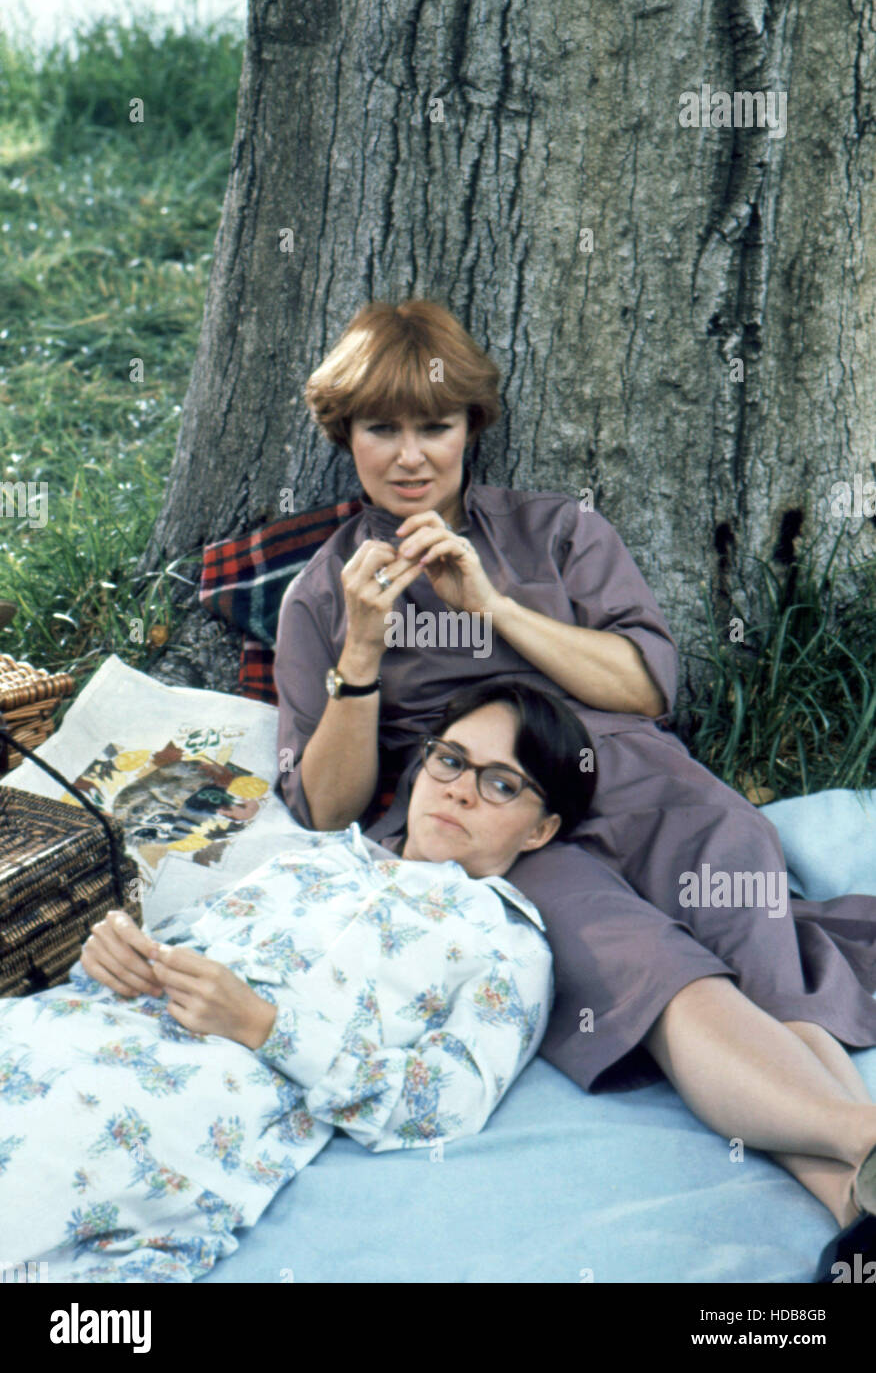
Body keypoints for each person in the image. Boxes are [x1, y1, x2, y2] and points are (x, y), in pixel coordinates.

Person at [273, 298, 876, 1281]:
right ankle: (862, 1154)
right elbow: (329, 806)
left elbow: (646, 686)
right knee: (663, 976)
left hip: (637, 777)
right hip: (499, 823)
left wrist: (495, 607)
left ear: (473, 426)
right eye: (382, 428)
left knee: (764, 953)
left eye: (437, 424)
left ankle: (857, 1216)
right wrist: (363, 649)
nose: (412, 454)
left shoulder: (556, 533)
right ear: (347, 436)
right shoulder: (323, 592)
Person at [0, 680, 591, 1283]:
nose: (460, 790)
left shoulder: (508, 940)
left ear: (540, 830)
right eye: (450, 760)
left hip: (171, 1106)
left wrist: (263, 1027)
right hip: (65, 1027)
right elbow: (166, 950)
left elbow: (446, 1104)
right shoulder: (314, 856)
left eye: (500, 784)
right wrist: (106, 957)